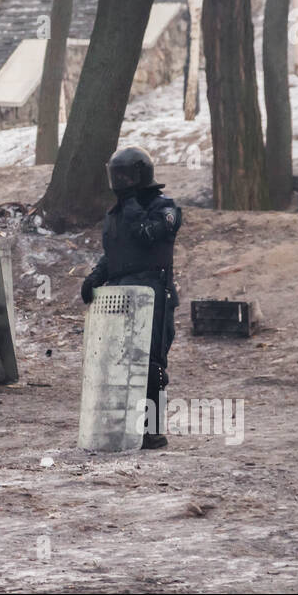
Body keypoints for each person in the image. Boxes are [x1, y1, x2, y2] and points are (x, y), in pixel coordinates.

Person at [80, 146, 182, 450]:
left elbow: (146, 235)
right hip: (121, 296)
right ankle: (121, 426)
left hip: (154, 294)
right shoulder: (117, 212)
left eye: (126, 175)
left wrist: (134, 208)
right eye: (117, 175)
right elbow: (114, 254)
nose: (121, 181)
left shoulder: (166, 208)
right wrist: (95, 278)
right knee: (118, 362)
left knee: (150, 365)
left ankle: (152, 430)